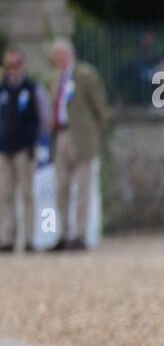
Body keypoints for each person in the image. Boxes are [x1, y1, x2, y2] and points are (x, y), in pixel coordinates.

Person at [49, 38, 109, 251]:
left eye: (59, 54)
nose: (56, 58)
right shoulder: (56, 79)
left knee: (83, 189)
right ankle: (64, 234)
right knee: (61, 188)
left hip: (83, 139)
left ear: (69, 54)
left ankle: (81, 235)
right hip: (62, 136)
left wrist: (95, 135)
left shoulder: (85, 74)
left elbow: (100, 108)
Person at [0, 48, 50, 253]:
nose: (12, 69)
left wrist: (33, 139)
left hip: (24, 148)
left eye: (16, 64)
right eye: (8, 65)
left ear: (23, 64)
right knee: (4, 194)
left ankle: (29, 238)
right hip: (3, 148)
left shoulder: (33, 89)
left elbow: (44, 119)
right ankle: (6, 237)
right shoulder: (2, 90)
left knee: (28, 194)